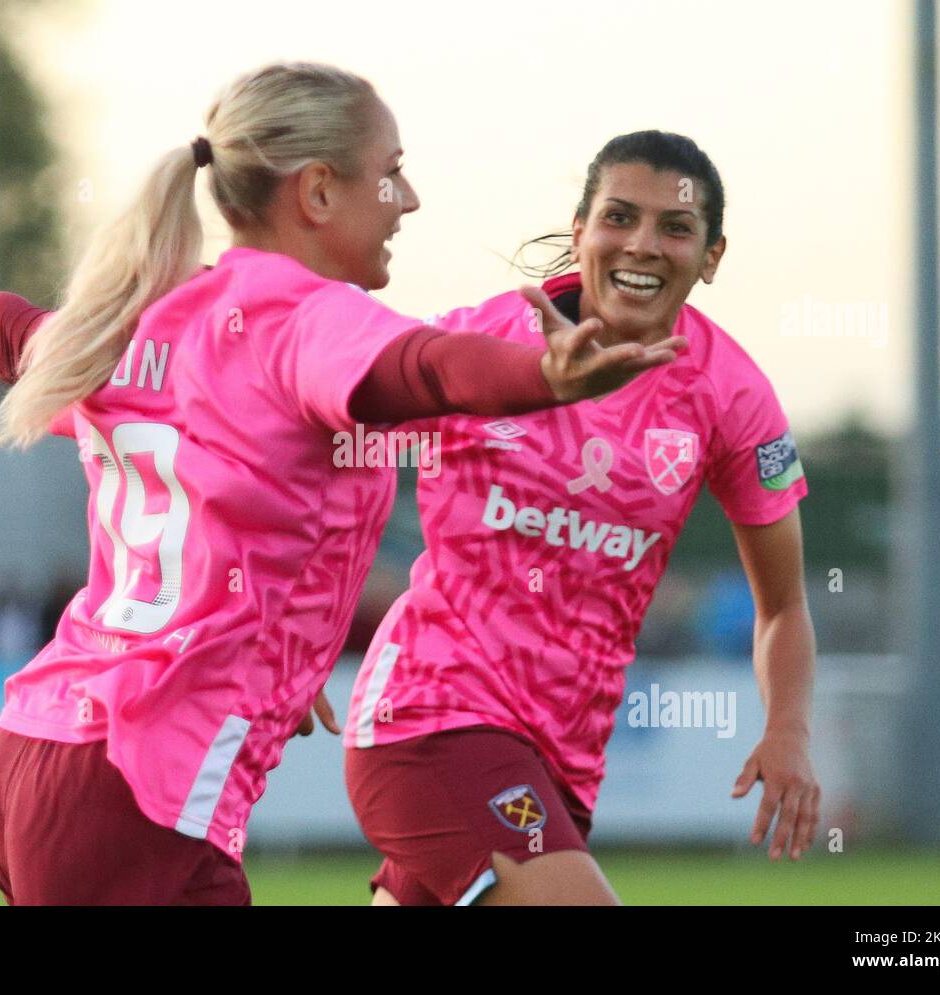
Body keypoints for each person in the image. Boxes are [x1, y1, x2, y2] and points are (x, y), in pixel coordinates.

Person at [0, 64, 686, 905]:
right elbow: (423, 369)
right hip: (136, 790)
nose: (408, 199)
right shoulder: (304, 316)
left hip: (41, 750)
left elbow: (22, 337)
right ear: (319, 191)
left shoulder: (153, 310)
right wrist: (546, 374)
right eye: (391, 174)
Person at [343, 131, 820, 906]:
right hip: (429, 721)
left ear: (711, 256)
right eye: (620, 217)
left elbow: (784, 607)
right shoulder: (477, 343)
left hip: (560, 761)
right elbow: (323, 457)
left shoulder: (733, 395)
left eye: (676, 227)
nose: (643, 244)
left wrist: (788, 730)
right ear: (580, 231)